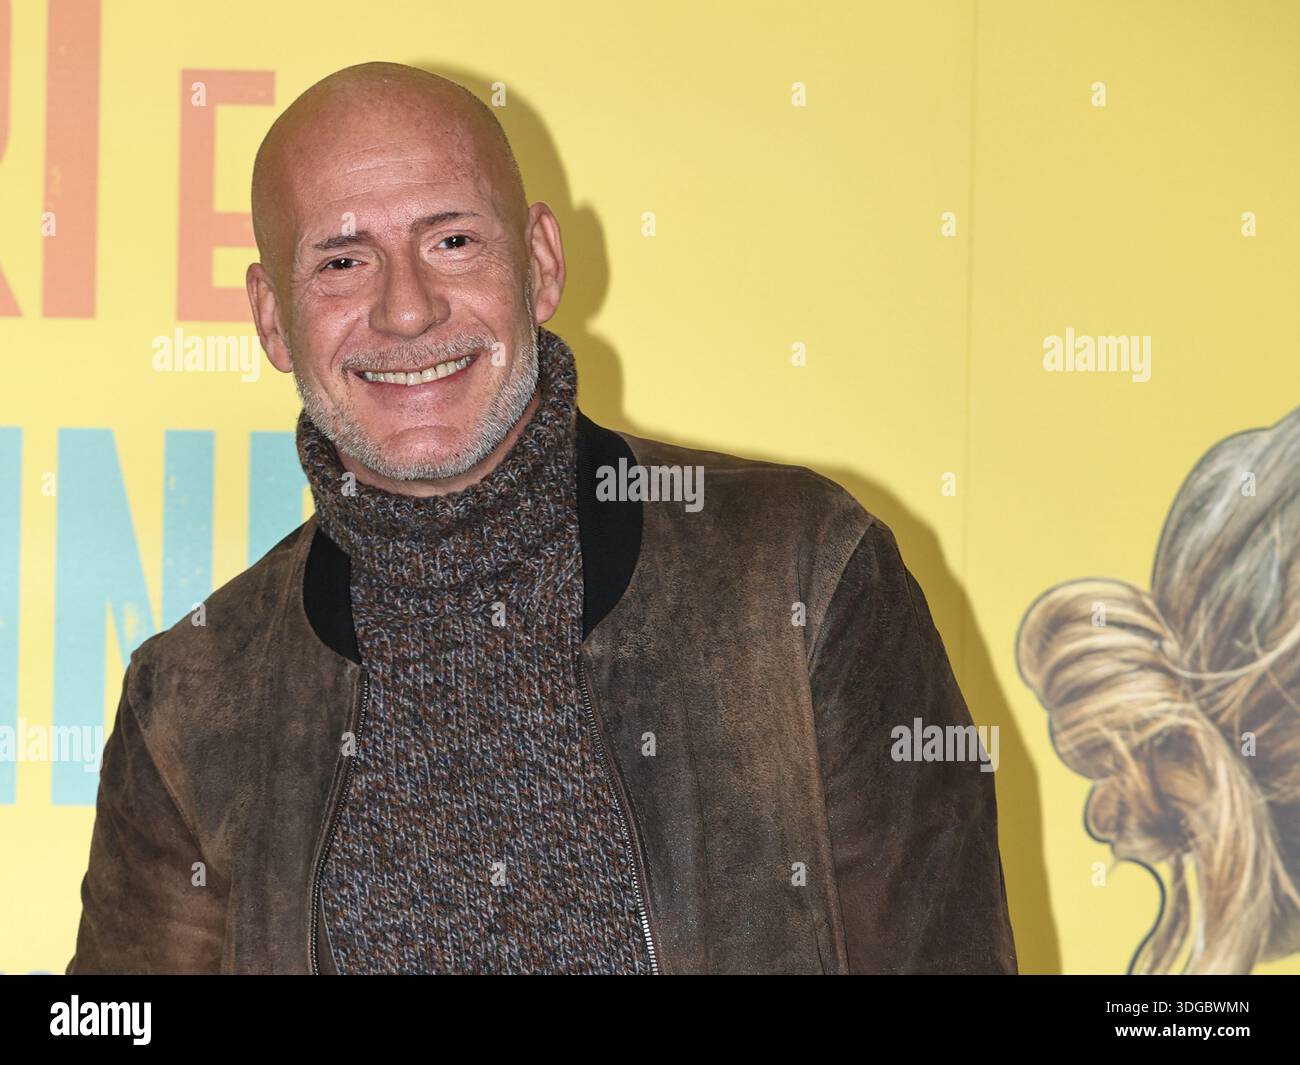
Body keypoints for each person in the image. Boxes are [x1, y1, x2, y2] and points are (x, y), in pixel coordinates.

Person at [66, 61, 1016, 974]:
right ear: (272, 319)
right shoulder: (189, 701)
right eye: (345, 260)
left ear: (541, 261)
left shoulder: (804, 575)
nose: (406, 310)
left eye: (452, 241)